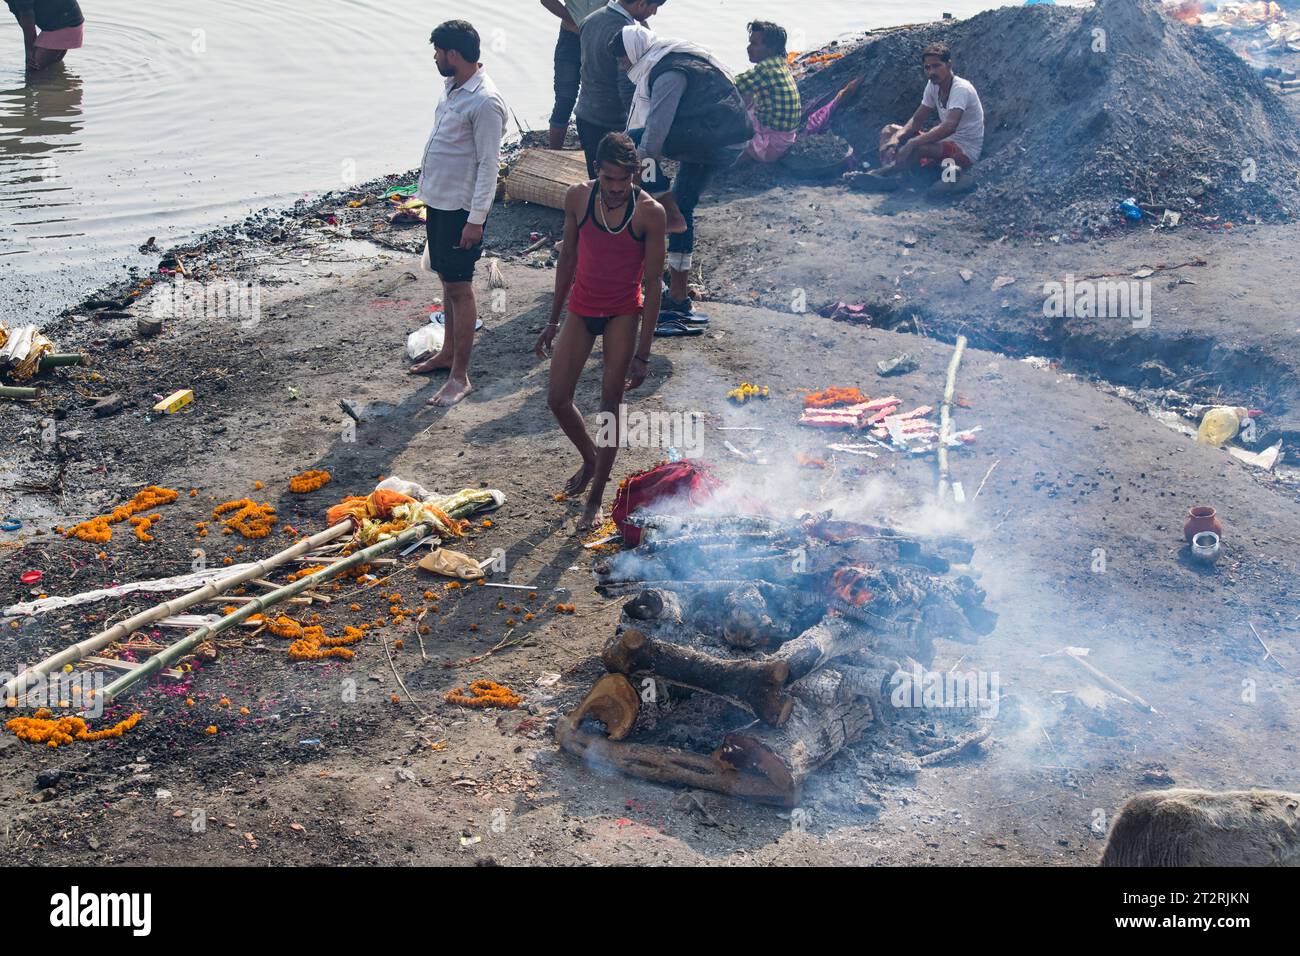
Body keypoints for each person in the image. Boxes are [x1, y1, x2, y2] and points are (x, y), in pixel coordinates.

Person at [534, 132, 667, 531]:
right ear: (597, 172)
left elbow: (654, 281)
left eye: (622, 182)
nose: (614, 190)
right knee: (558, 398)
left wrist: (643, 353)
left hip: (623, 313)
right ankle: (591, 459)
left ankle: (595, 497)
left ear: (634, 176)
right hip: (581, 307)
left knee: (609, 404)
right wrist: (552, 319)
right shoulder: (577, 198)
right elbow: (568, 259)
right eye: (608, 181)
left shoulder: (650, 213)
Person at [613, 24, 752, 321]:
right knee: (684, 205)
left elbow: (654, 137)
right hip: (720, 137)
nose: (621, 67)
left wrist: (634, 175)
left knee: (638, 142)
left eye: (622, 60)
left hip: (716, 142)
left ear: (633, 53)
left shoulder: (668, 73)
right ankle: (677, 297)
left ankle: (666, 205)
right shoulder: (670, 55)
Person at [410, 20, 508, 407]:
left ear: (453, 54)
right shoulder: (452, 88)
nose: (434, 57)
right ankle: (448, 353)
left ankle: (460, 376)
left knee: (460, 288)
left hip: (461, 210)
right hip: (439, 202)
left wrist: (476, 220)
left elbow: (489, 165)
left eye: (437, 51)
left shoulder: (485, 102)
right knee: (447, 283)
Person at [874, 43, 984, 191]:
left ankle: (884, 174)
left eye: (936, 66)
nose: (932, 71)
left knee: (920, 147)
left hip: (964, 150)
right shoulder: (933, 85)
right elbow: (917, 120)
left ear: (949, 65)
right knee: (890, 130)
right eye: (927, 67)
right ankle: (891, 174)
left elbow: (949, 127)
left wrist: (912, 142)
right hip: (944, 143)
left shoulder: (961, 89)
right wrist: (896, 138)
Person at [574, 0, 665, 179]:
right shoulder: (627, 34)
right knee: (636, 181)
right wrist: (642, 126)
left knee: (599, 182)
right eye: (654, 7)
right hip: (613, 123)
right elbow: (626, 86)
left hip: (585, 115)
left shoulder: (590, 19)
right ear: (640, 3)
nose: (654, 13)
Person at [540, 0, 606, 149]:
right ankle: (553, 154)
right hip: (570, 38)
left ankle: (595, 153)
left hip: (598, 40)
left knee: (598, 99)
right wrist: (575, 19)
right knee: (564, 99)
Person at [734, 20, 801, 163]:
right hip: (786, 138)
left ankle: (743, 155)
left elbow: (733, 85)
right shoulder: (778, 62)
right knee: (748, 96)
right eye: (750, 42)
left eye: (755, 44)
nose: (749, 48)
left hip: (771, 146)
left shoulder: (765, 69)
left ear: (770, 49)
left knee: (733, 108)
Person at [6, 0, 84, 73]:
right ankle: (59, 86)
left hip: (64, 23)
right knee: (51, 70)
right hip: (66, 19)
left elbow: (27, 19)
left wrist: (30, 52)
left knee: (32, 71)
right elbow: (21, 15)